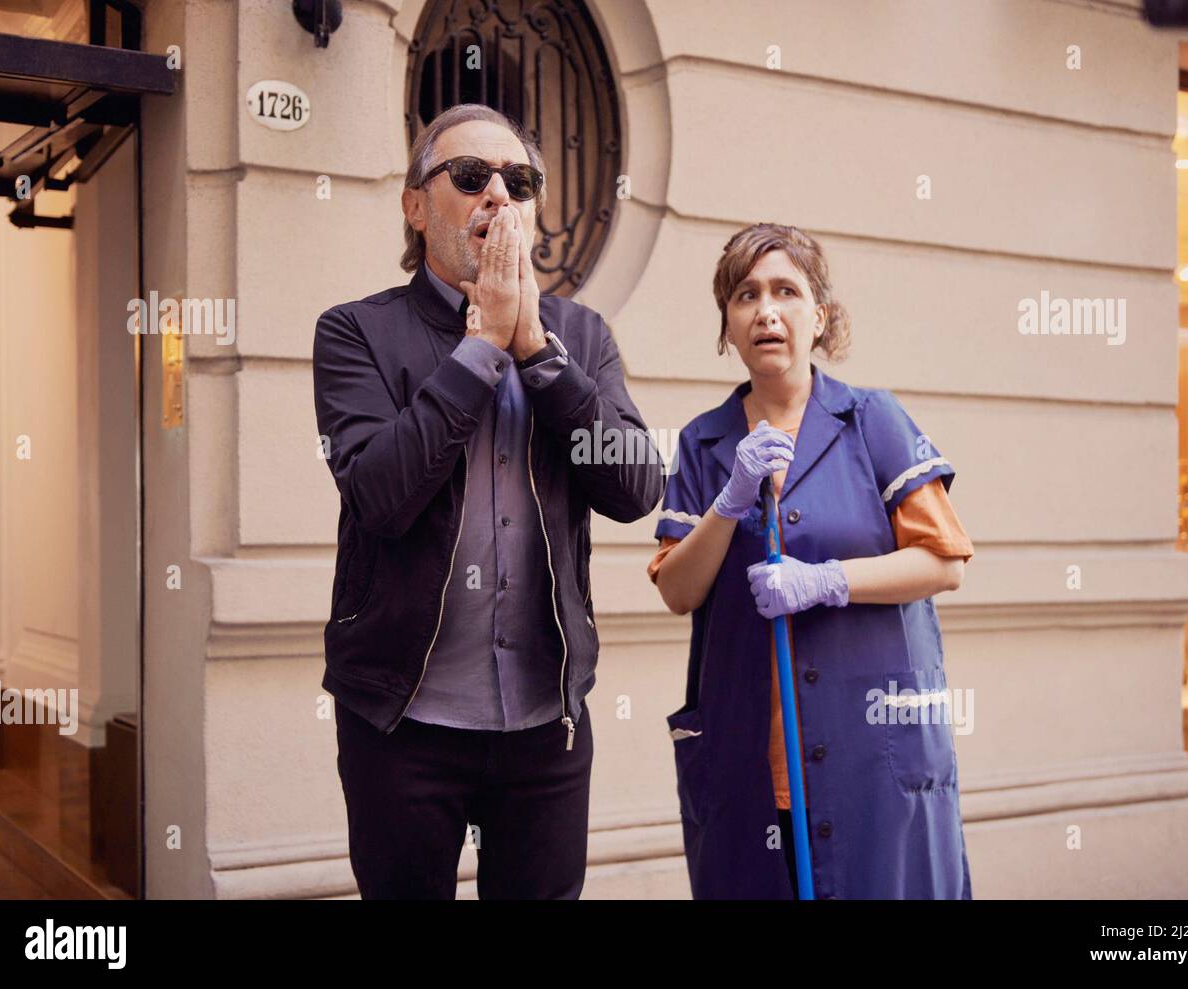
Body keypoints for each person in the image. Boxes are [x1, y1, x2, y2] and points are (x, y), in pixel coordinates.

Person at [312, 103, 665, 899]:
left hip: (546, 724)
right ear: (415, 205)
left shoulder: (583, 333)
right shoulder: (355, 332)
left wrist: (537, 352)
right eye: (471, 178)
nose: (498, 195)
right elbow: (378, 494)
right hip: (402, 721)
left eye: (520, 181)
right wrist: (480, 349)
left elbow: (636, 484)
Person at [648, 223, 974, 899]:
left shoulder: (872, 421)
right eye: (745, 295)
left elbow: (944, 561)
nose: (766, 309)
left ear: (819, 316)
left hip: (871, 760)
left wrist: (826, 581)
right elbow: (678, 589)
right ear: (729, 326)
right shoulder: (705, 444)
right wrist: (729, 501)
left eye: (786, 291)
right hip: (748, 763)